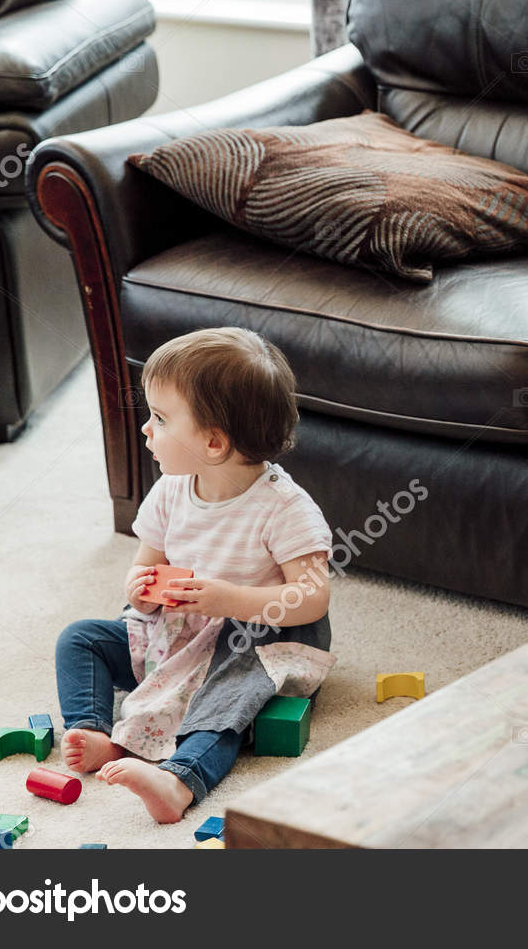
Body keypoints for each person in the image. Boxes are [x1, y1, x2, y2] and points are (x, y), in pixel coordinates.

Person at [54, 327, 334, 823]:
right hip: (175, 633)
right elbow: (147, 562)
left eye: (160, 418)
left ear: (213, 442)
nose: (146, 429)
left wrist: (229, 599)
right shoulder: (170, 489)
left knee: (229, 694)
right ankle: (95, 731)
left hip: (254, 636)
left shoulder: (285, 508)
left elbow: (312, 599)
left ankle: (180, 780)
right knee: (81, 639)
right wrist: (139, 590)